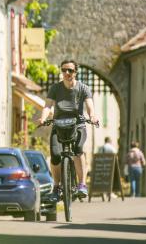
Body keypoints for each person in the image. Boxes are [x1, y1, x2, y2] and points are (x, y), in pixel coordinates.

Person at [38, 59, 99, 200]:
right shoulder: (55, 88)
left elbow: (89, 104)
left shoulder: (83, 88)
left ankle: (82, 184)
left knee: (78, 149)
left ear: (75, 72)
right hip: (58, 125)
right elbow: (47, 106)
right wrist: (43, 118)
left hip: (77, 125)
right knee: (55, 155)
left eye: (70, 70)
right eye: (64, 70)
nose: (66, 73)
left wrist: (92, 116)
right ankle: (57, 187)